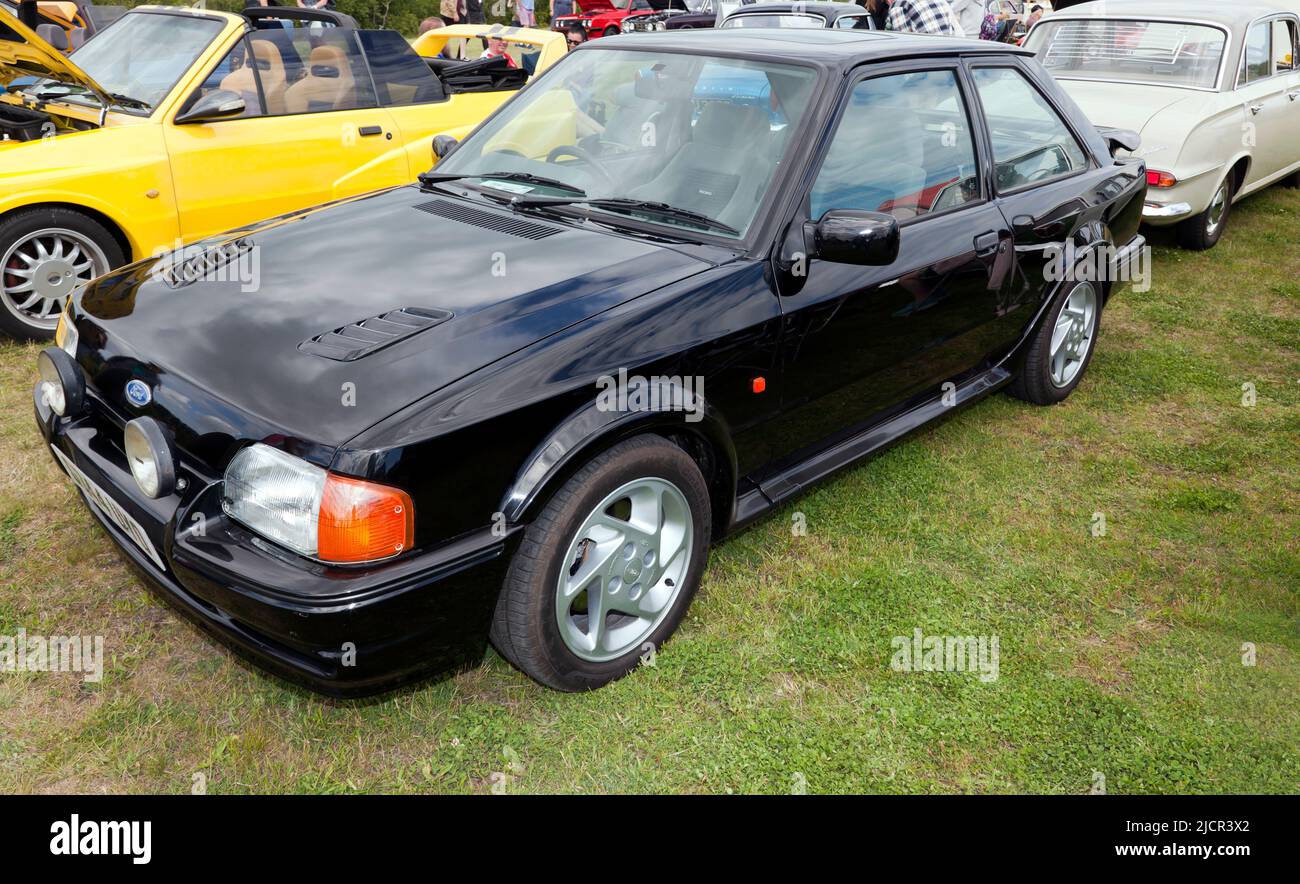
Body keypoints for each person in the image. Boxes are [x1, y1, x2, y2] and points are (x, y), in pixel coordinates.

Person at [884, 0, 963, 36]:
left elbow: (901, 47)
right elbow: (960, 35)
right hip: (951, 60)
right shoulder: (942, 2)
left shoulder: (900, 5)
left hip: (928, 63)